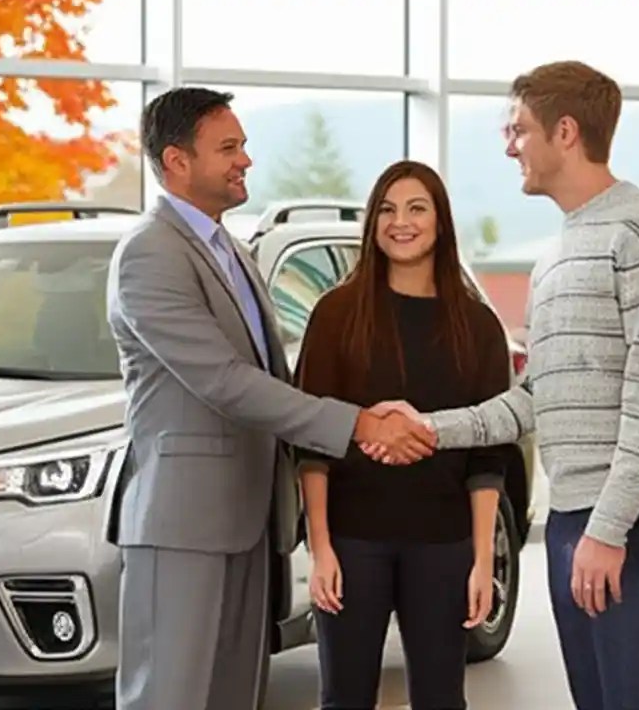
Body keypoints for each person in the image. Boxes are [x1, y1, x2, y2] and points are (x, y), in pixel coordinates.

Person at [365, 61, 639, 710]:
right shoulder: (556, 254)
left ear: (565, 132)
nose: (508, 145)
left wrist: (607, 530)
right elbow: (532, 398)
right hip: (576, 510)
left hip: (635, 512)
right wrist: (428, 426)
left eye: (518, 129)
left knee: (633, 698)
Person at [105, 86, 436, 710]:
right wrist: (360, 424)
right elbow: (225, 381)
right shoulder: (150, 253)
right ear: (177, 161)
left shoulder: (231, 250)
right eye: (228, 148)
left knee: (235, 695)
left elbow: (270, 376)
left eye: (243, 145)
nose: (245, 160)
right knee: (169, 697)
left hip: (249, 519)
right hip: (182, 525)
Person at [295, 159, 520, 710]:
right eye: (387, 210)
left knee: (442, 699)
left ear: (440, 222)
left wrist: (482, 561)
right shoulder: (335, 314)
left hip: (443, 543)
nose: (401, 222)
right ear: (372, 223)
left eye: (417, 208)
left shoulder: (478, 326)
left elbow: (487, 459)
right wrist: (321, 549)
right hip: (352, 541)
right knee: (344, 698)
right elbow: (310, 443)